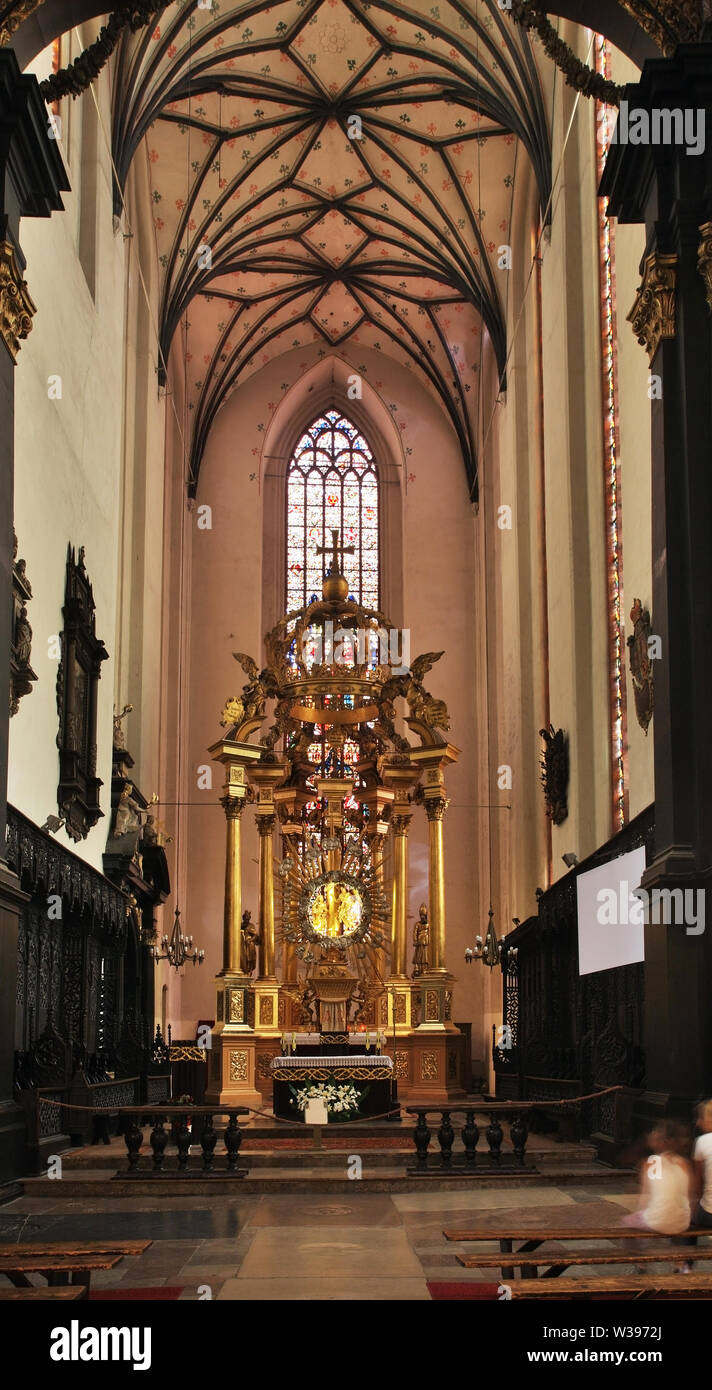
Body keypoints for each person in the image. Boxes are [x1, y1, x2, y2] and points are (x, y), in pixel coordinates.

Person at [621, 1120, 693, 1267]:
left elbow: (644, 1199)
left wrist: (643, 1213)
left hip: (658, 1219)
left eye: (654, 1133)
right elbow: (687, 1193)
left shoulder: (651, 1162)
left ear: (661, 1141)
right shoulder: (683, 1163)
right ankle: (680, 1264)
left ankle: (639, 1262)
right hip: (683, 1222)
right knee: (672, 1221)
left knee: (627, 1223)